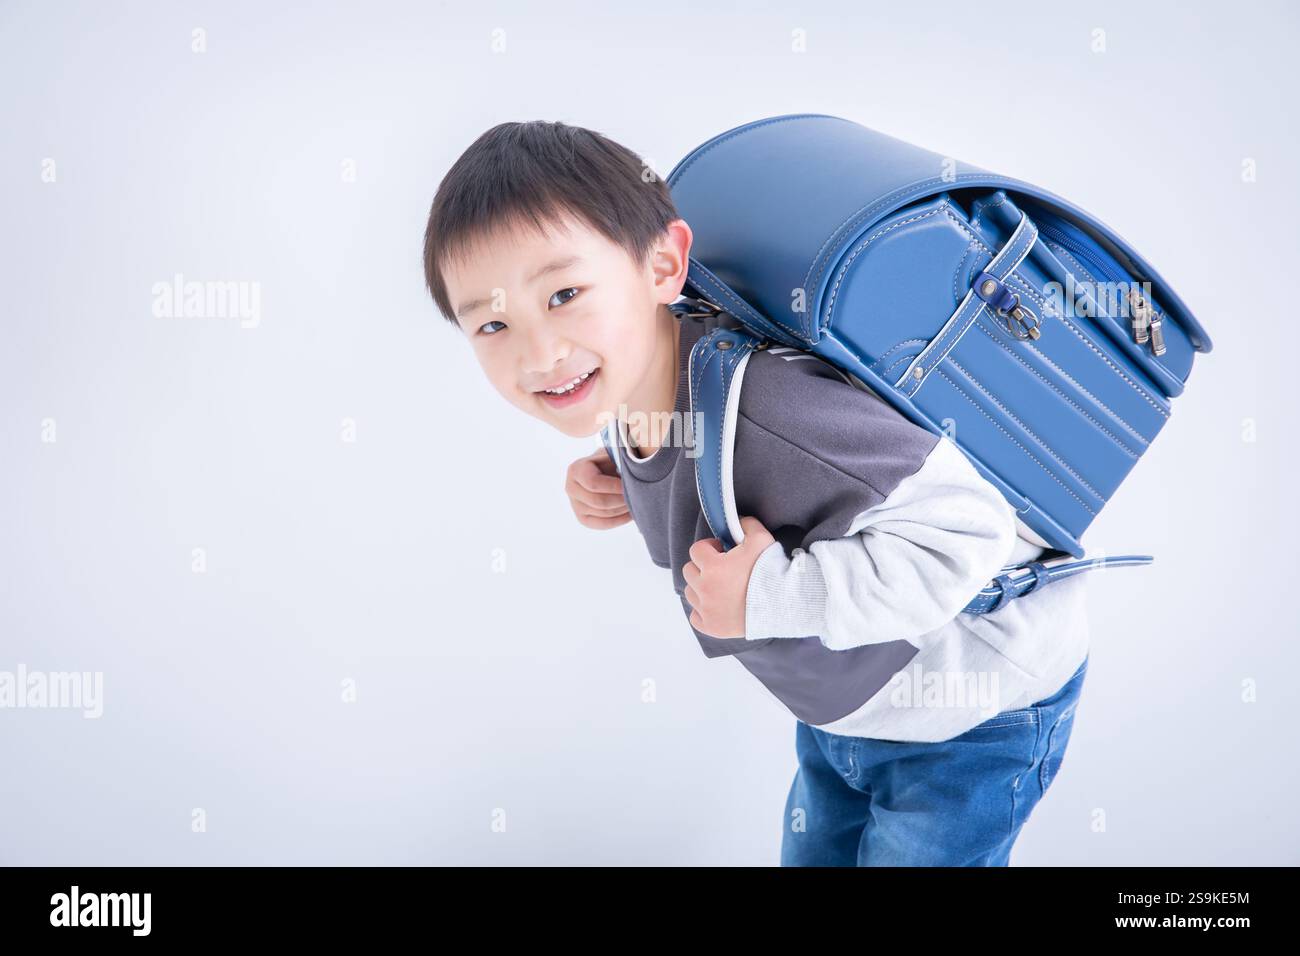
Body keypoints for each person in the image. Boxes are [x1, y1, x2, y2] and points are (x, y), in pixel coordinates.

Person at [422, 119, 1089, 866]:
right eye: (493, 324)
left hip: (970, 713)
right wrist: (619, 467)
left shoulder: (775, 411)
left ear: (663, 266)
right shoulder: (647, 391)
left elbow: (970, 532)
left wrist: (776, 597)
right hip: (855, 710)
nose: (539, 352)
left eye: (565, 293)